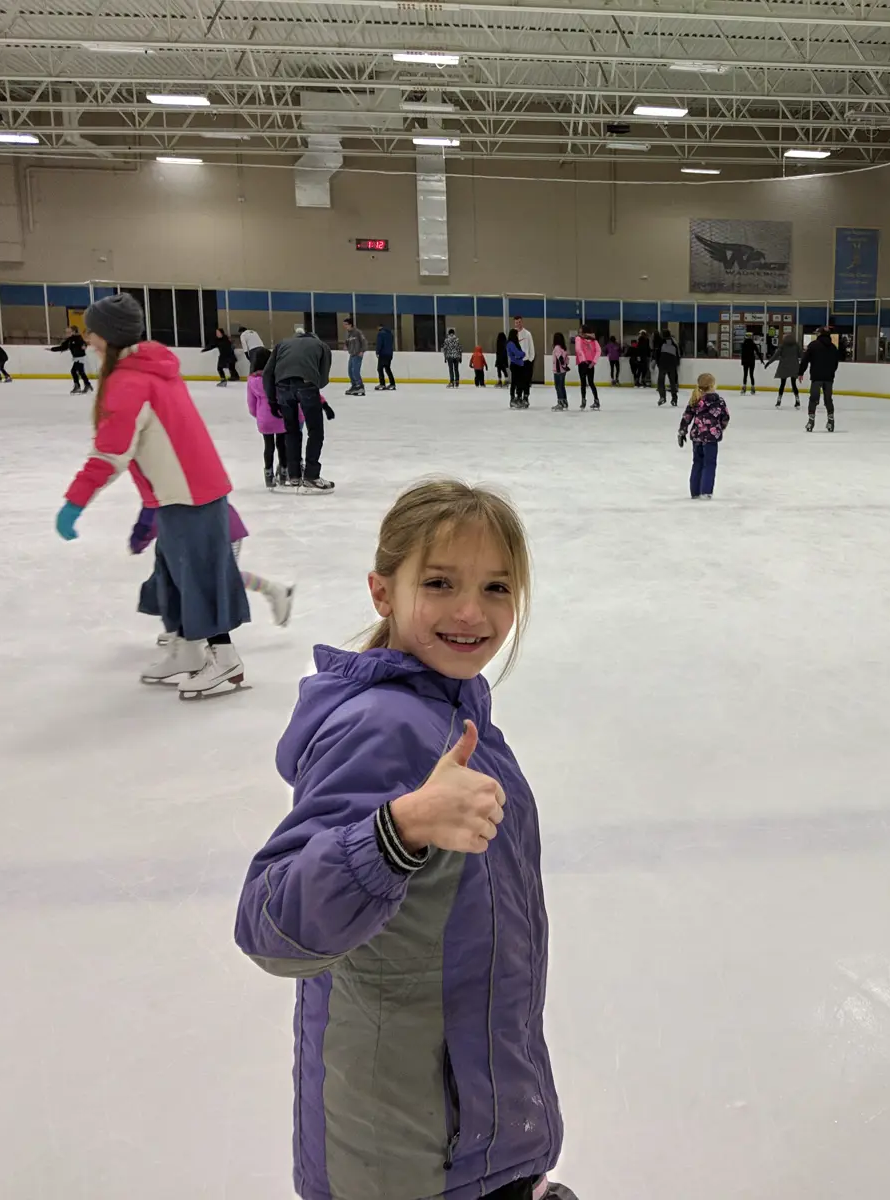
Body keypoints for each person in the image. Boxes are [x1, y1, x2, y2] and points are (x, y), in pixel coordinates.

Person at [232, 479, 577, 1200]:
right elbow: (272, 925)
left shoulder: (446, 706)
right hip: (405, 1156)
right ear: (383, 592)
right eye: (441, 582)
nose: (471, 612)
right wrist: (398, 831)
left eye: (496, 587)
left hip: (463, 1120)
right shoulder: (386, 727)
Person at [54, 291, 250, 698]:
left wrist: (75, 502)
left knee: (197, 574)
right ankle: (186, 650)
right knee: (173, 574)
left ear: (108, 336)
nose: (87, 340)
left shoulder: (129, 381)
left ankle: (225, 659)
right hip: (181, 491)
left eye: (91, 332)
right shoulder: (150, 368)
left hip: (189, 493)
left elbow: (110, 454)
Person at [130, 501, 293, 631]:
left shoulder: (165, 486)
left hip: (221, 531)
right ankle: (181, 631)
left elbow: (151, 517)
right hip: (202, 532)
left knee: (220, 579)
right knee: (194, 578)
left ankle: (274, 590)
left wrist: (138, 541)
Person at [264, 324, 335, 492]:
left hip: (282, 388)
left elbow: (268, 373)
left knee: (291, 431)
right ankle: (311, 475)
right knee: (315, 431)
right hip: (306, 386)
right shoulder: (322, 346)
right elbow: (323, 380)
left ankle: (293, 476)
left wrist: (272, 400)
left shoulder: (282, 344)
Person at [678, 372, 731, 499]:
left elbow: (687, 417)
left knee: (697, 463)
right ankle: (706, 491)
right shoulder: (719, 401)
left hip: (697, 437)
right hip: (711, 438)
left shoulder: (696, 400)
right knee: (709, 463)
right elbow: (725, 417)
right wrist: (720, 428)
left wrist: (682, 431)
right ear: (712, 385)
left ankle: (695, 492)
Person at [246, 348, 287, 490]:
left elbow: (251, 404)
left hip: (265, 417)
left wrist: (258, 416)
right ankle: (284, 471)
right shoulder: (279, 376)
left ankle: (268, 474)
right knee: (282, 444)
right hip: (281, 414)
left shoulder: (252, 380)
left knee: (268, 446)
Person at [798, 327, 842, 433]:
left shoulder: (813, 345)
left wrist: (800, 372)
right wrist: (831, 372)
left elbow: (805, 360)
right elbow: (836, 363)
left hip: (816, 377)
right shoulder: (833, 347)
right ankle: (831, 421)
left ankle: (811, 421)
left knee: (813, 399)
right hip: (828, 378)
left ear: (820, 334)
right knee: (828, 399)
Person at [51, 325, 93, 393]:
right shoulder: (69, 340)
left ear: (73, 332)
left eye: (68, 332)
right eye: (66, 332)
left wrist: (84, 346)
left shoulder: (78, 338)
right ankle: (87, 385)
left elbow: (83, 343)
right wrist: (52, 349)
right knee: (80, 372)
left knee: (74, 371)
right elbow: (63, 347)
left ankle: (79, 386)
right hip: (76, 358)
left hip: (80, 357)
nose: (67, 333)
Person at [773, 330, 802, 410]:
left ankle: (779, 401)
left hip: (784, 367)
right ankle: (797, 401)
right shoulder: (796, 345)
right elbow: (801, 355)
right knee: (794, 385)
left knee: (782, 384)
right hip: (794, 367)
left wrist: (769, 362)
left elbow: (776, 355)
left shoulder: (782, 346)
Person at [574, 326, 602, 409]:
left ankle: (583, 401)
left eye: (580, 331)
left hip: (583, 363)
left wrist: (583, 360)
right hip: (590, 363)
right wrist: (593, 362)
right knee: (591, 382)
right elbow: (598, 351)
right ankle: (596, 400)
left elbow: (578, 349)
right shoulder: (594, 340)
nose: (579, 333)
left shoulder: (579, 339)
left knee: (583, 383)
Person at [654, 329, 681, 407]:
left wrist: (658, 363)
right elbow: (678, 353)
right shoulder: (674, 342)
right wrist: (676, 363)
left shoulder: (661, 342)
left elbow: (657, 353)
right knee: (673, 382)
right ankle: (674, 399)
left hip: (663, 364)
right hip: (672, 364)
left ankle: (662, 397)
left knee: (661, 381)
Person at [512, 315, 536, 403]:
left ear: (522, 322)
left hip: (526, 362)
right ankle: (518, 396)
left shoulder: (527, 334)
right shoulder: (513, 334)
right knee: (518, 380)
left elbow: (531, 348)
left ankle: (525, 397)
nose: (518, 324)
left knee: (526, 380)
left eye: (519, 322)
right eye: (516, 322)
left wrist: (530, 360)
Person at [342, 318, 367, 396]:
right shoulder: (348, 333)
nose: (344, 326)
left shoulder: (357, 332)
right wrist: (346, 346)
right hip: (352, 354)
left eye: (346, 324)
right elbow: (347, 342)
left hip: (358, 354)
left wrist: (362, 351)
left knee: (355, 371)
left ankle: (360, 386)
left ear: (350, 324)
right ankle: (354, 386)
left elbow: (364, 342)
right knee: (350, 371)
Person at [506, 329, 528, 408]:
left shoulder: (515, 343)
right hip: (515, 365)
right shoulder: (511, 344)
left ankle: (518, 397)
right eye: (516, 334)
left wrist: (522, 354)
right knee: (515, 382)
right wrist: (523, 354)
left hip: (519, 364)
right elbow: (518, 353)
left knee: (520, 382)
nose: (517, 336)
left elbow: (520, 353)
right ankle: (513, 399)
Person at [550, 331, 571, 411]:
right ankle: (564, 402)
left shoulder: (557, 348)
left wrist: (562, 365)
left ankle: (560, 403)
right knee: (562, 386)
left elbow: (560, 358)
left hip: (558, 371)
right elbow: (567, 359)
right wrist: (565, 366)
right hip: (563, 371)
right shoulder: (563, 348)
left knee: (558, 387)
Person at [375, 323, 396, 391]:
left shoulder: (381, 334)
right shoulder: (390, 334)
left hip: (383, 354)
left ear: (379, 327)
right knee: (387, 368)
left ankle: (382, 383)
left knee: (380, 369)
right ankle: (392, 383)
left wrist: (377, 352)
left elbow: (379, 343)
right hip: (389, 354)